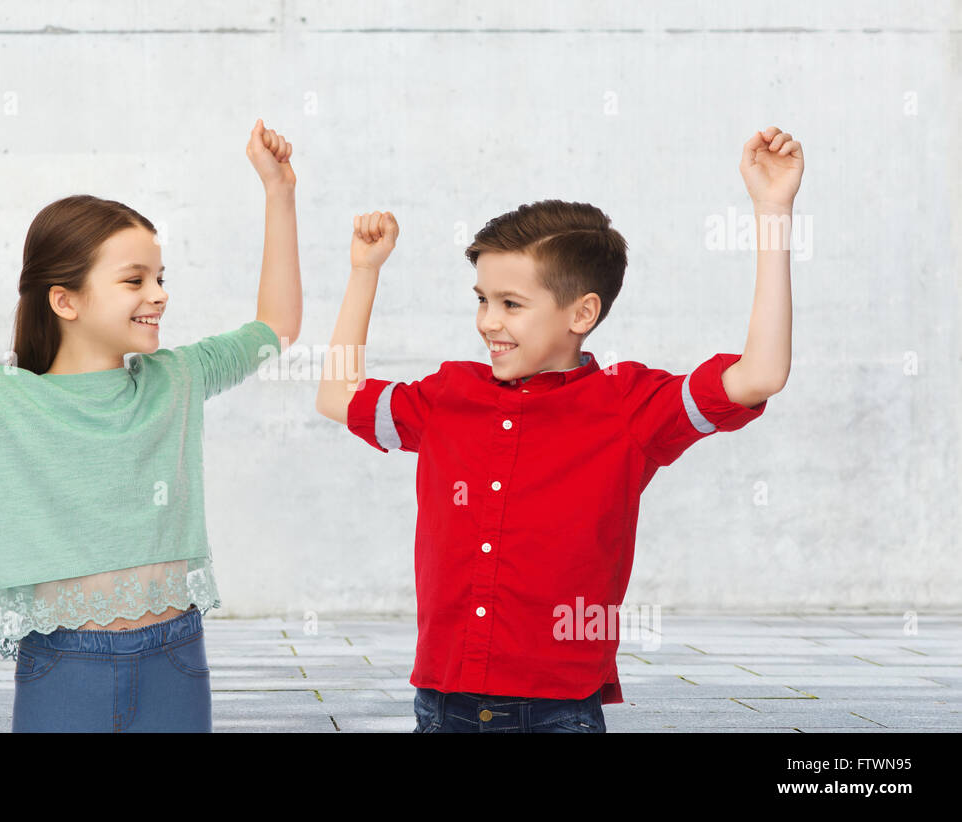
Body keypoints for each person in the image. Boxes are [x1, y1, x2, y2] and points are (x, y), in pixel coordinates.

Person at [0, 117, 301, 732]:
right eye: (134, 280)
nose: (159, 294)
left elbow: (276, 328)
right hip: (63, 668)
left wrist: (280, 194)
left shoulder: (179, 377)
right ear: (64, 300)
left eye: (160, 278)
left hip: (177, 659)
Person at [316, 126, 801, 733]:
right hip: (441, 701)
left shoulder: (629, 407)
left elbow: (760, 375)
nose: (488, 321)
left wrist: (772, 211)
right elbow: (335, 394)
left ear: (582, 313)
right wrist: (364, 273)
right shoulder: (448, 396)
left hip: (558, 710)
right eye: (482, 299)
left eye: (511, 304)